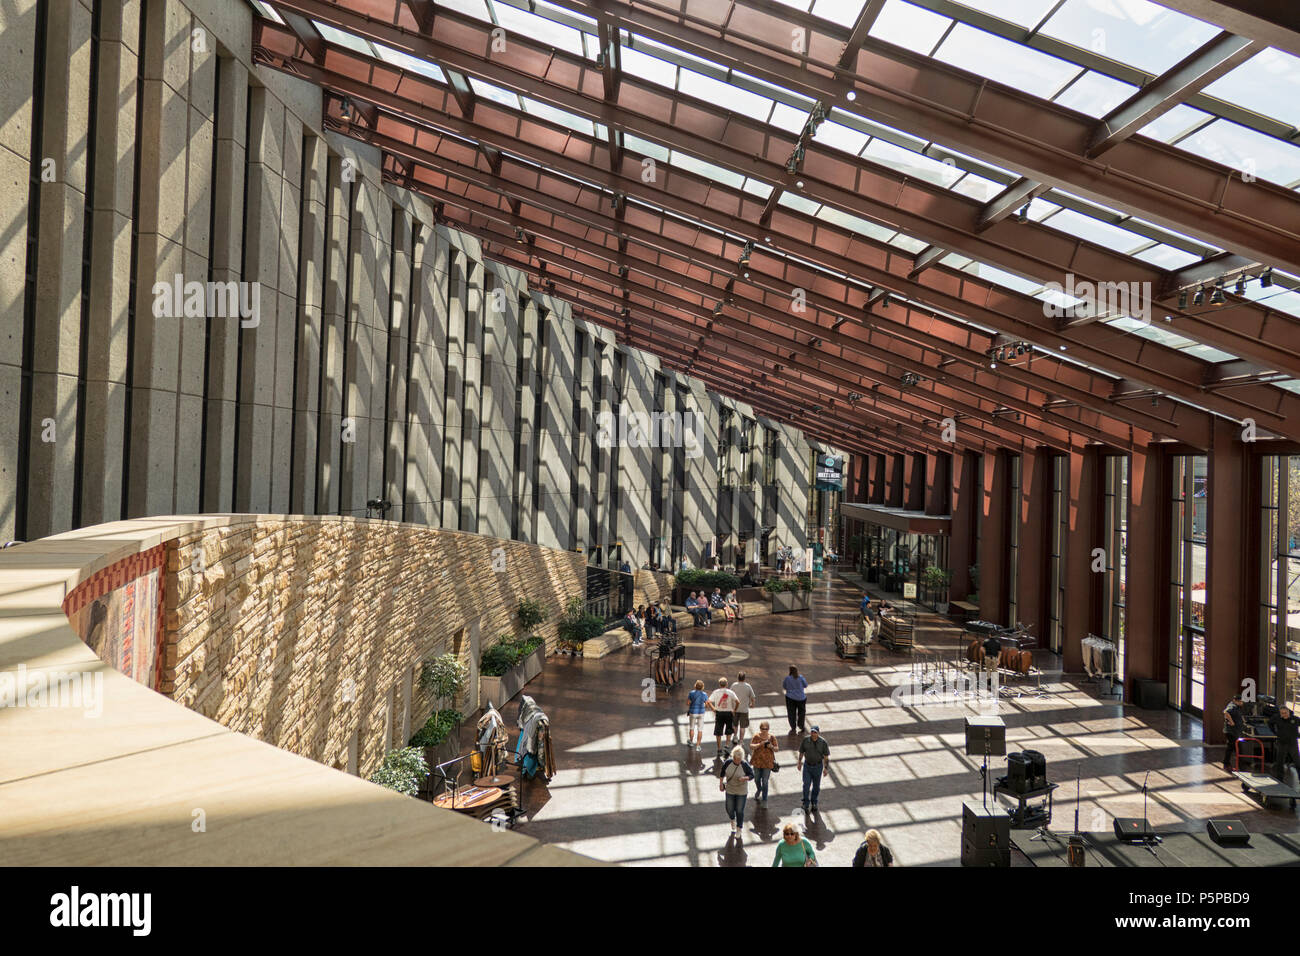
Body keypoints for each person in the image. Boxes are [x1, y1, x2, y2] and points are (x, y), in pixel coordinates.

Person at [719, 746, 754, 836]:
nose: (737, 761)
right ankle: (732, 819)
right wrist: (721, 783)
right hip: (730, 789)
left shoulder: (744, 764)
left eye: (739, 759)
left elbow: (751, 775)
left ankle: (739, 828)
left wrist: (745, 778)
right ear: (733, 757)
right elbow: (722, 773)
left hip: (741, 791)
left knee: (739, 810)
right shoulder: (728, 763)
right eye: (736, 759)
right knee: (729, 808)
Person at [797, 725, 830, 811]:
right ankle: (805, 803)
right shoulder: (805, 740)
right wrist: (799, 762)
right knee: (806, 785)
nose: (813, 734)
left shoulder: (823, 743)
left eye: (815, 732)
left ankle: (814, 802)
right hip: (807, 766)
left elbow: (826, 757)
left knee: (816, 786)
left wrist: (826, 768)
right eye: (812, 732)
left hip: (818, 767)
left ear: (818, 733)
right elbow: (801, 752)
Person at [706, 678, 738, 757]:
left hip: (719, 713)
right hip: (728, 713)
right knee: (729, 730)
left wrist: (713, 708)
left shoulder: (716, 692)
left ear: (719, 684)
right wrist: (734, 710)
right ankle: (727, 745)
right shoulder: (730, 692)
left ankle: (719, 749)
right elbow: (738, 702)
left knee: (718, 731)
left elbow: (708, 701)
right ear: (727, 684)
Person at [750, 721, 778, 805]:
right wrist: (760, 744)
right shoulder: (756, 736)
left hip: (768, 763)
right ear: (760, 729)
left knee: (765, 781)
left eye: (766, 729)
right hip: (757, 762)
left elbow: (777, 749)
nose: (764, 730)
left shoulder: (772, 737)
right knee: (757, 779)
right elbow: (751, 746)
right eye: (762, 728)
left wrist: (771, 747)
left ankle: (764, 799)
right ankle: (759, 789)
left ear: (768, 729)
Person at [1270, 704, 1300, 783]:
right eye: (1282, 713)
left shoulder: (1295, 719)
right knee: (1280, 761)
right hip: (1282, 742)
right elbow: (1270, 723)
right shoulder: (1277, 718)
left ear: (1288, 712)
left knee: (1297, 761)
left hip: (1292, 743)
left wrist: (1298, 735)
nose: (1284, 715)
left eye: (1285, 713)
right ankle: (1280, 779)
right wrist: (1275, 732)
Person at [1223, 693, 1247, 770]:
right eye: (1239, 701)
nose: (1241, 703)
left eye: (1241, 701)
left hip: (1234, 731)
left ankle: (1226, 763)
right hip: (1232, 732)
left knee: (1230, 748)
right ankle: (1241, 767)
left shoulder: (1238, 707)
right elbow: (1226, 712)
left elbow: (1238, 715)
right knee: (1238, 749)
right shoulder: (1232, 706)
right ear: (1235, 701)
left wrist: (1242, 720)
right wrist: (1232, 722)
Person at [731, 671, 756, 746]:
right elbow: (753, 697)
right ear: (744, 678)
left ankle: (735, 737)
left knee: (735, 724)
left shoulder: (734, 685)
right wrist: (752, 704)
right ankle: (741, 740)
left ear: (738, 678)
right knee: (743, 726)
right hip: (744, 710)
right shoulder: (748, 686)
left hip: (735, 709)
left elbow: (730, 695)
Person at [783, 665, 808, 734]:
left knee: (791, 712)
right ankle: (801, 725)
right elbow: (806, 685)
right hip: (801, 698)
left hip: (790, 698)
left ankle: (793, 727)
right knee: (801, 712)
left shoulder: (787, 678)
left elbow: (784, 686)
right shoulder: (801, 678)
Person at [686, 679, 708, 753]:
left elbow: (688, 703)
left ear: (695, 686)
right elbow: (707, 704)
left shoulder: (691, 693)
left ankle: (691, 742)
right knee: (700, 729)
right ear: (702, 687)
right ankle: (698, 745)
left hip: (693, 712)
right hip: (701, 713)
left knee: (692, 728)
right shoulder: (704, 694)